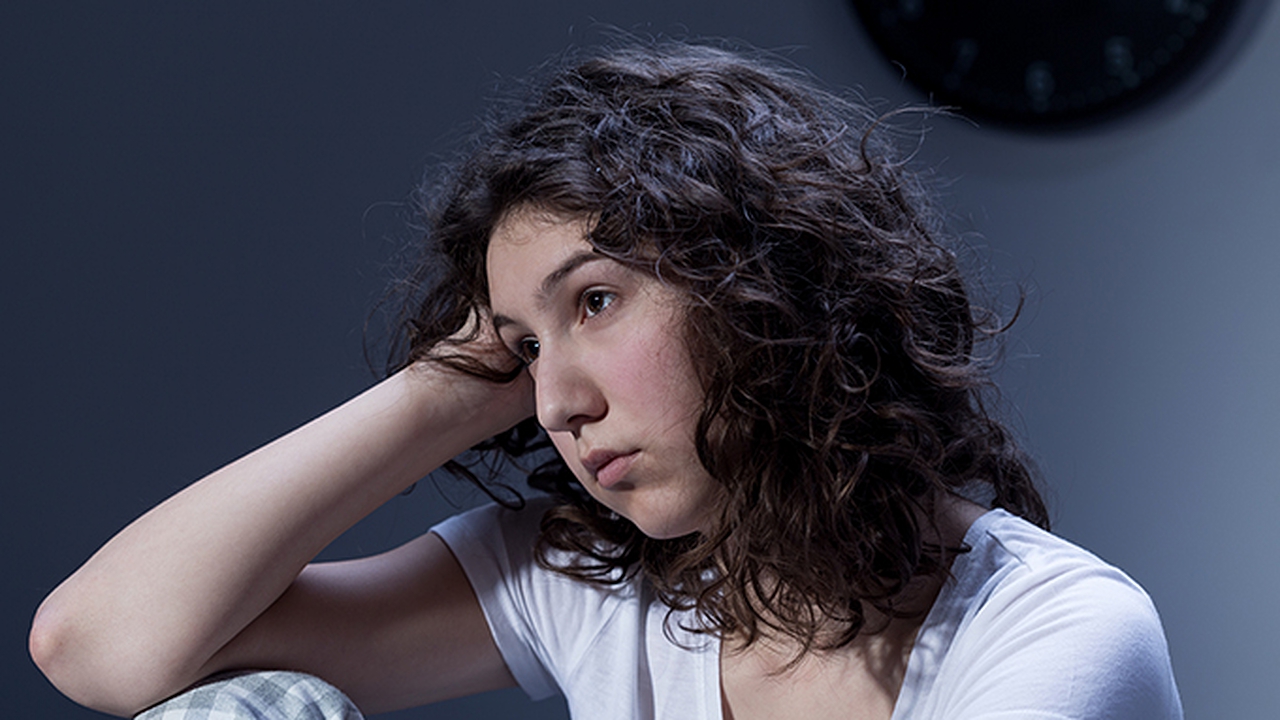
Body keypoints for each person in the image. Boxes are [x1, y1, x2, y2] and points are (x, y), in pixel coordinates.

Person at [29, 42, 1183, 719]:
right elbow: (99, 648)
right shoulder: (588, 578)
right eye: (525, 351)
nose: (554, 404)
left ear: (764, 285)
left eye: (593, 301)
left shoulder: (1061, 630)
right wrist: (450, 381)